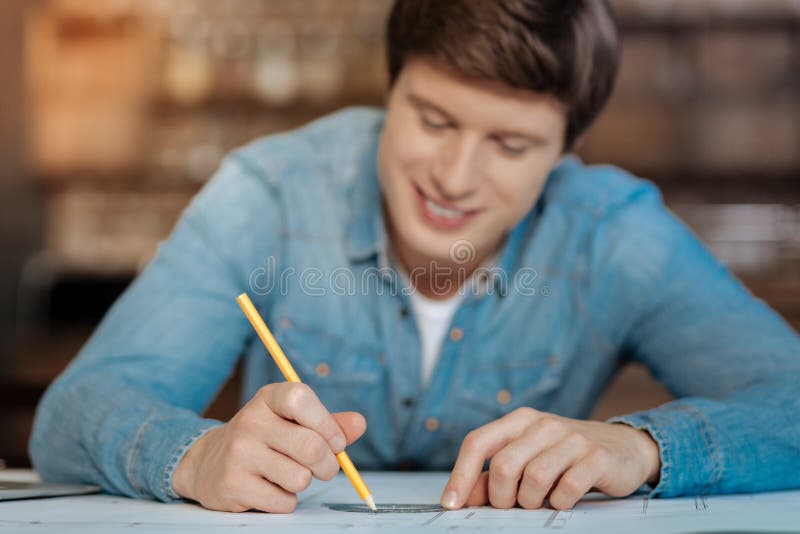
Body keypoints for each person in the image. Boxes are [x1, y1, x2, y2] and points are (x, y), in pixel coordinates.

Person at [30, 0, 800, 514]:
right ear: (390, 89)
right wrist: (196, 457)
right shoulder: (268, 192)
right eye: (433, 120)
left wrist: (641, 447)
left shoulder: (614, 231)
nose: (455, 179)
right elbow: (72, 413)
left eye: (510, 144)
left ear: (566, 149)